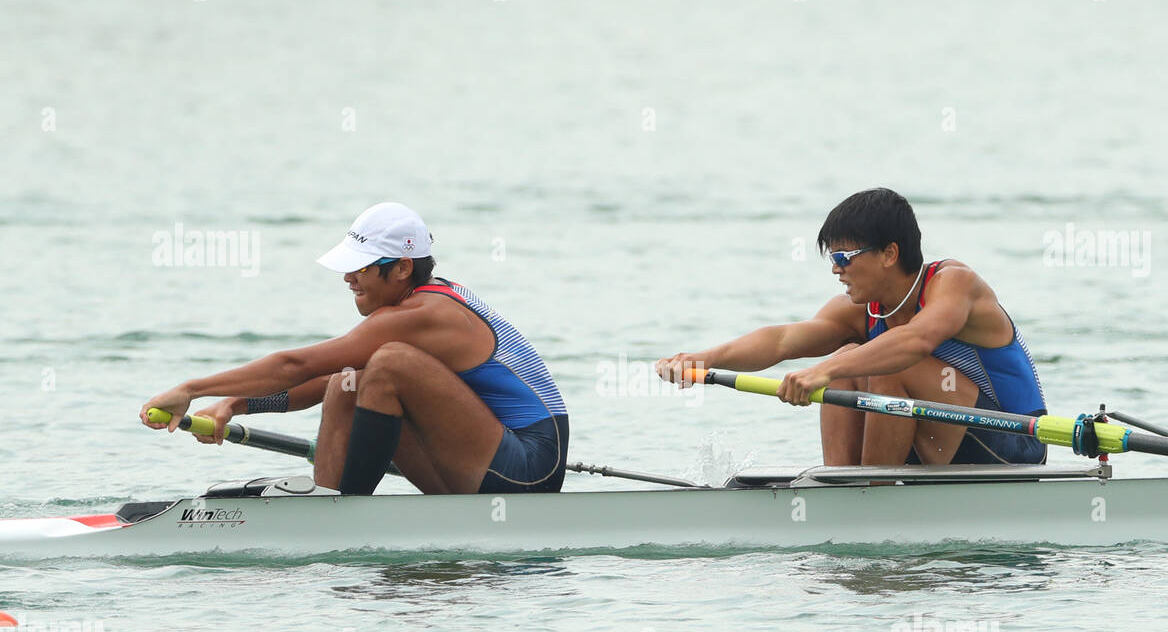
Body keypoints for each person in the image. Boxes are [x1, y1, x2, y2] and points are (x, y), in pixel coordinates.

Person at [139, 202, 568, 494]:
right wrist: (234, 404)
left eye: (361, 268)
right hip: (488, 457)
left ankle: (346, 516)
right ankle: (329, 504)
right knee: (350, 381)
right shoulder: (408, 311)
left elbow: (295, 363)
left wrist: (191, 389)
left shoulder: (429, 314)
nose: (348, 279)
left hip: (531, 466)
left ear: (402, 268)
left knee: (387, 365)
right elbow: (322, 378)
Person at [656, 188, 1046, 466]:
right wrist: (700, 359)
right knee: (847, 357)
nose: (835, 268)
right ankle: (843, 483)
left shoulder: (955, 284)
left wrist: (823, 370)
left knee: (874, 362)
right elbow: (782, 340)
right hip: (941, 438)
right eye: (832, 257)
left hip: (1014, 440)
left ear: (890, 254)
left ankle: (869, 501)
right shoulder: (860, 311)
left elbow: (915, 340)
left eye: (844, 256)